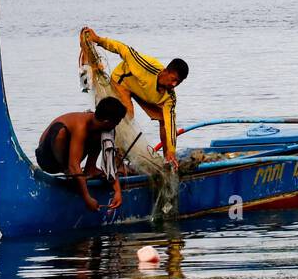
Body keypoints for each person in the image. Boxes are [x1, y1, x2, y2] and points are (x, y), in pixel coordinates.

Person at [80, 28, 189, 166]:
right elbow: (123, 49)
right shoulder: (146, 66)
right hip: (123, 82)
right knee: (127, 116)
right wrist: (98, 40)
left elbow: (171, 124)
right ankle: (116, 161)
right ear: (165, 72)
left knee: (163, 118)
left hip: (143, 93)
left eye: (178, 82)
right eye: (173, 79)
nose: (174, 84)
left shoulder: (170, 97)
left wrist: (172, 150)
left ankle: (168, 158)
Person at [35, 98, 127, 212]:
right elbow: (74, 165)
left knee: (100, 134)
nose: (116, 126)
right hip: (48, 158)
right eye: (116, 123)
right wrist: (87, 198)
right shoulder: (81, 126)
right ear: (107, 121)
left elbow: (110, 164)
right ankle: (70, 172)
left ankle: (90, 168)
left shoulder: (104, 127)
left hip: (70, 156)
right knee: (60, 133)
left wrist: (117, 192)